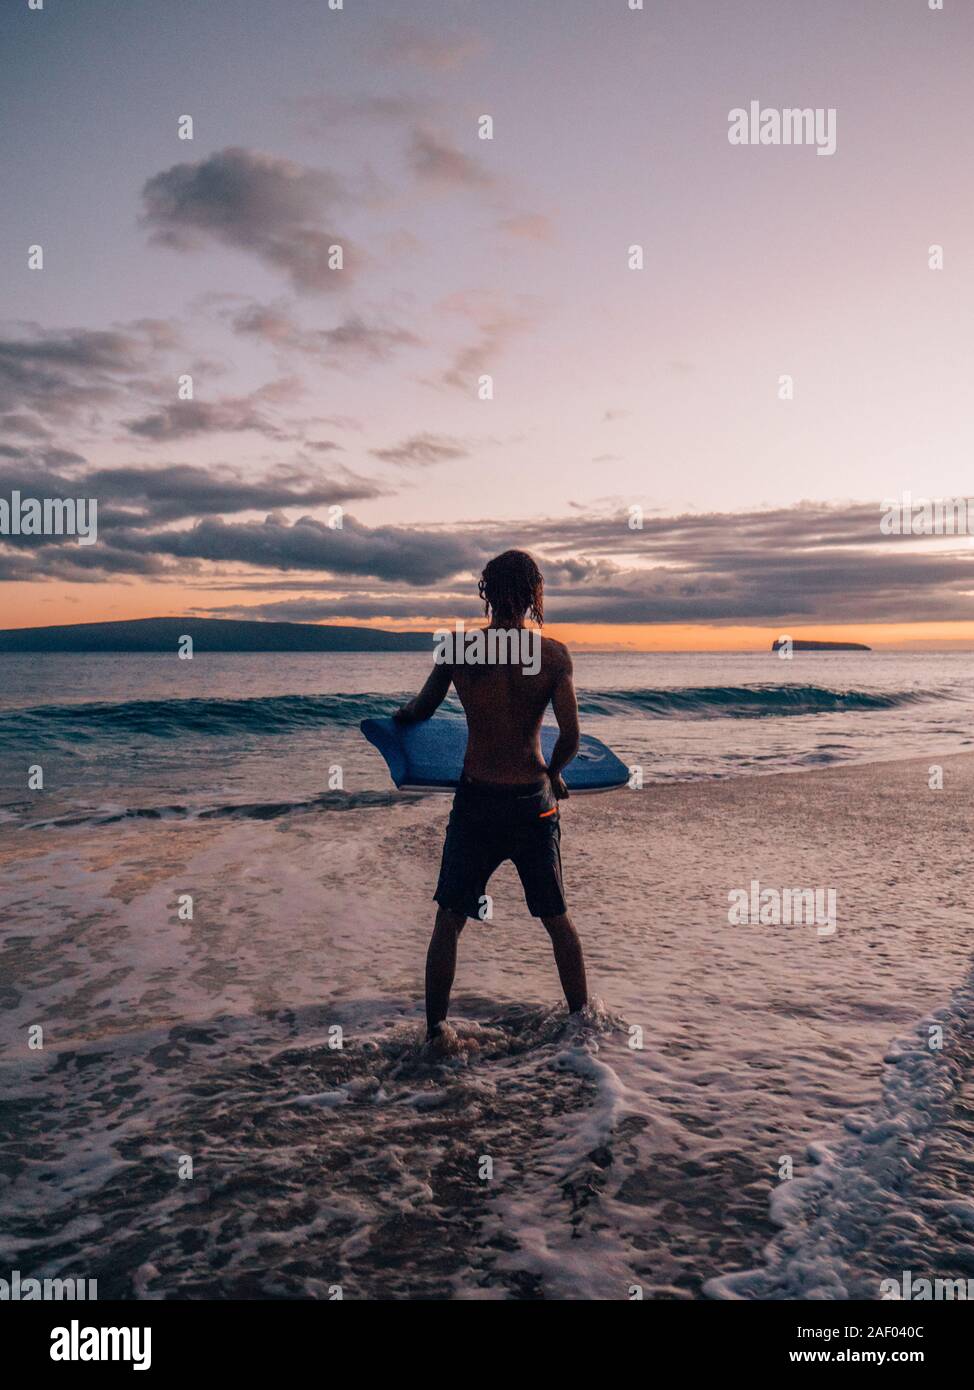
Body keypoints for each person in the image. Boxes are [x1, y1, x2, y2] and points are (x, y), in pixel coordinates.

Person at [393, 549, 589, 1041]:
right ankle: (582, 1025)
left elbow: (420, 710)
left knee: (450, 918)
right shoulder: (553, 655)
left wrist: (397, 720)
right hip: (533, 803)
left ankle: (436, 1033)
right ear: (533, 595)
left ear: (486, 591)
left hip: (477, 802)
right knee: (556, 919)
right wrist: (556, 773)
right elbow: (570, 737)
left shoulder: (459, 651)